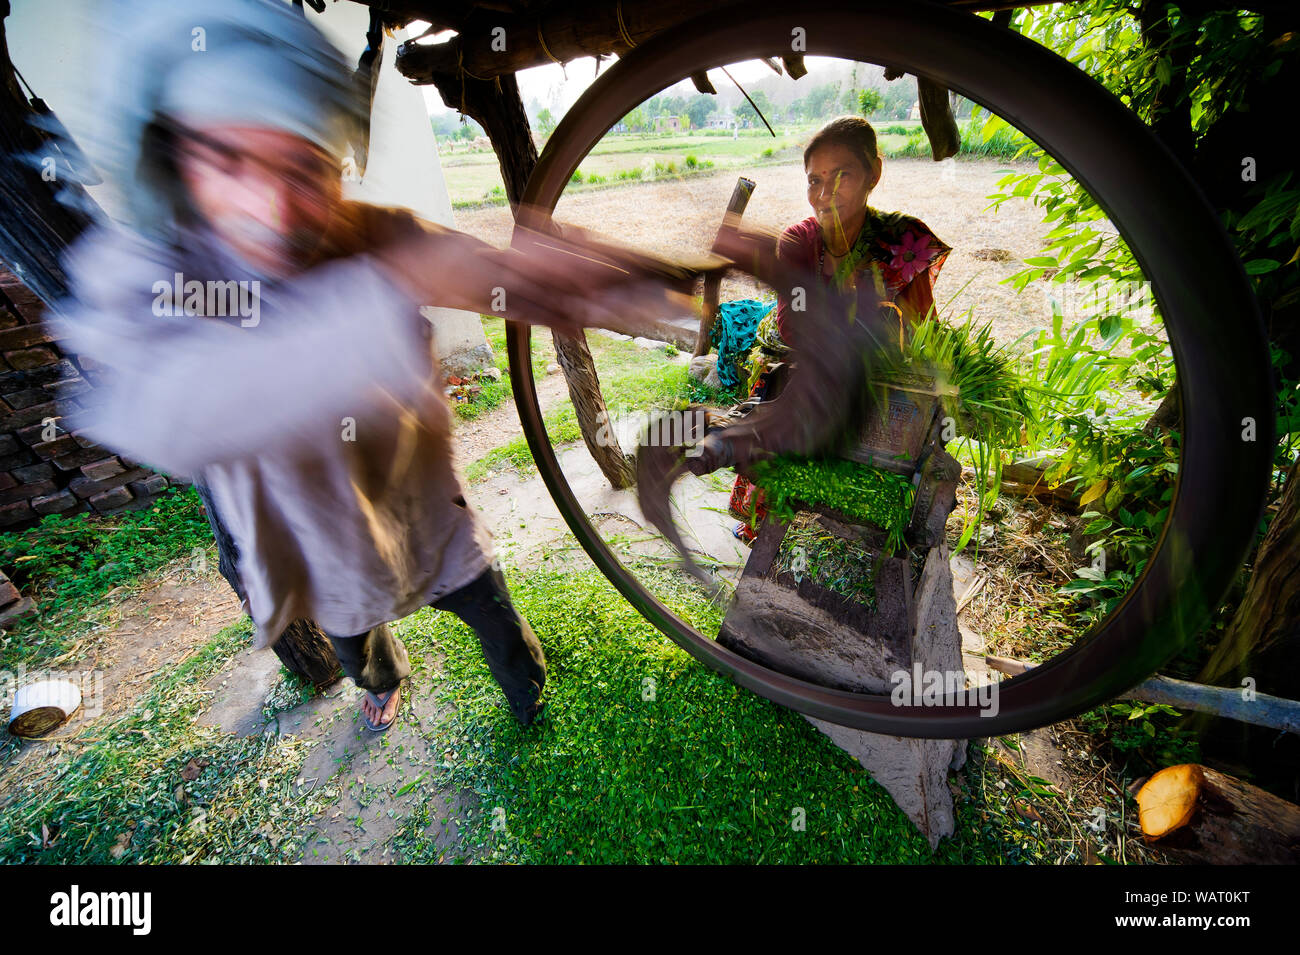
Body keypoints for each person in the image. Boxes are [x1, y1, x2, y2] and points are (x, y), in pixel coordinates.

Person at [49, 0, 677, 732]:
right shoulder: (154, 277)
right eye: (228, 158)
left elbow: (484, 270)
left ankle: (526, 688)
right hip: (319, 544)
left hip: (422, 504)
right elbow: (163, 401)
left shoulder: (361, 231)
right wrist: (366, 306)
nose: (272, 204)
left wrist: (618, 284)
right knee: (358, 643)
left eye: (302, 165)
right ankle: (383, 679)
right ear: (172, 160)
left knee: (492, 612)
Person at [728, 115, 953, 542]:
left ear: (874, 174)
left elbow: (921, 328)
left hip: (888, 385)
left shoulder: (903, 239)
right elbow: (794, 324)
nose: (825, 193)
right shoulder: (799, 241)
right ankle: (778, 535)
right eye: (814, 180)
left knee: (873, 500)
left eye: (842, 175)